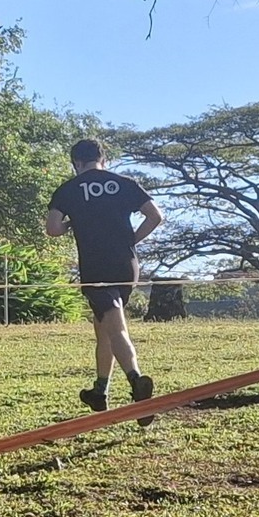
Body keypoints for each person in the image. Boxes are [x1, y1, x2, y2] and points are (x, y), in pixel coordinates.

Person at [45, 138, 164, 414]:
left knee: (116, 327)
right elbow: (155, 216)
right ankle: (100, 390)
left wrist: (71, 223)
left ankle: (136, 380)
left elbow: (53, 229)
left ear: (75, 162)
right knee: (105, 327)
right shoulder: (123, 183)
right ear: (104, 159)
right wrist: (132, 240)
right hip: (126, 264)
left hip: (96, 267)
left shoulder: (69, 190)